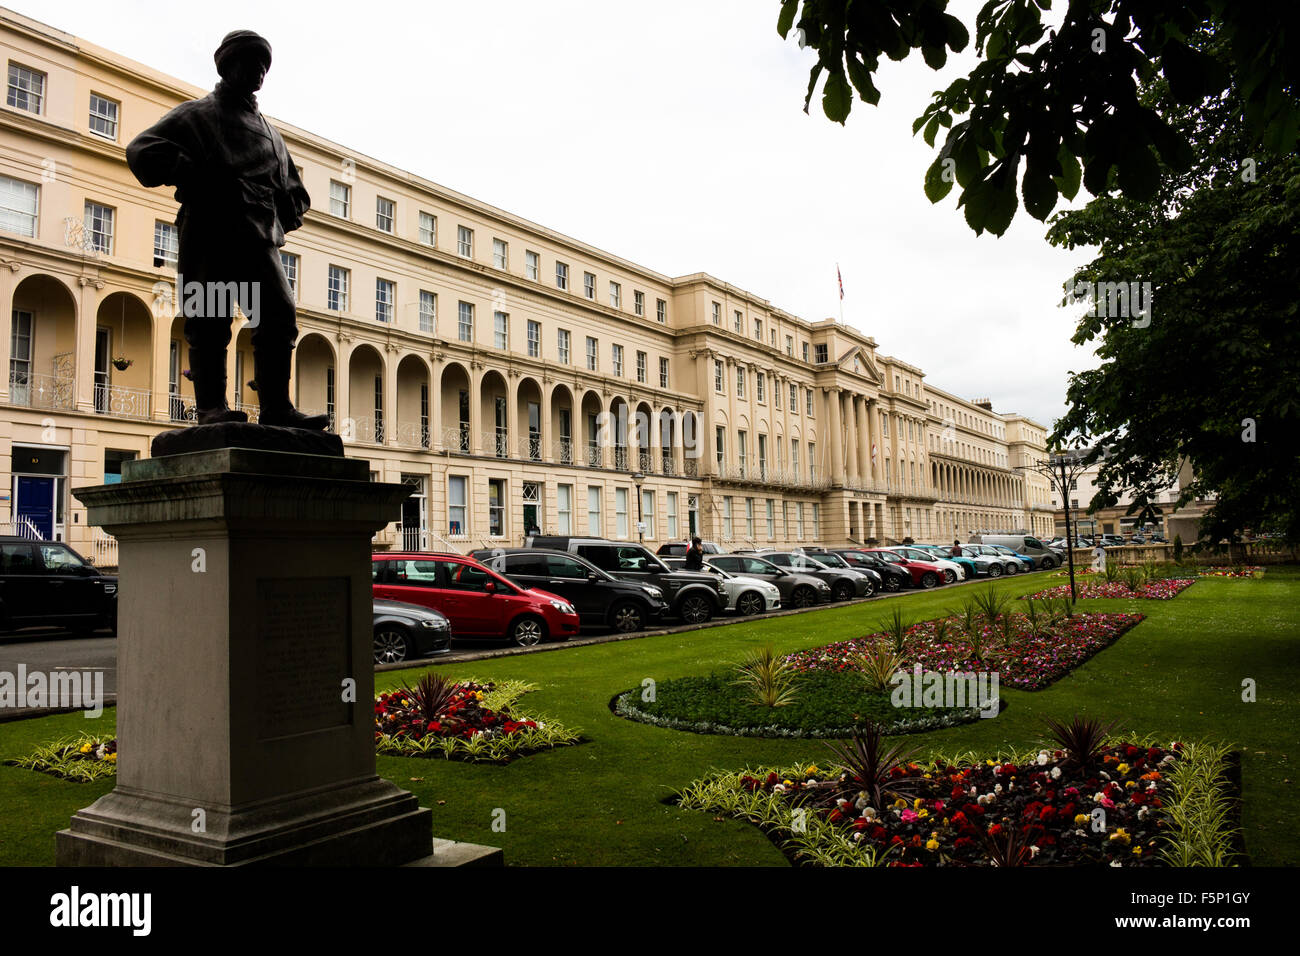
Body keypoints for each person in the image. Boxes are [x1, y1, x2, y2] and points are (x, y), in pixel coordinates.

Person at [126, 30, 326, 429]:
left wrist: (274, 211)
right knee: (210, 318)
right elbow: (140, 150)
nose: (259, 74)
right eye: (252, 64)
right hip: (210, 231)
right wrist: (194, 173)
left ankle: (276, 408)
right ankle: (211, 407)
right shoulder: (196, 114)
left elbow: (296, 193)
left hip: (257, 239)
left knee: (278, 316)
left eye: (264, 68)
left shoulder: (272, 134)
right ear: (228, 65)